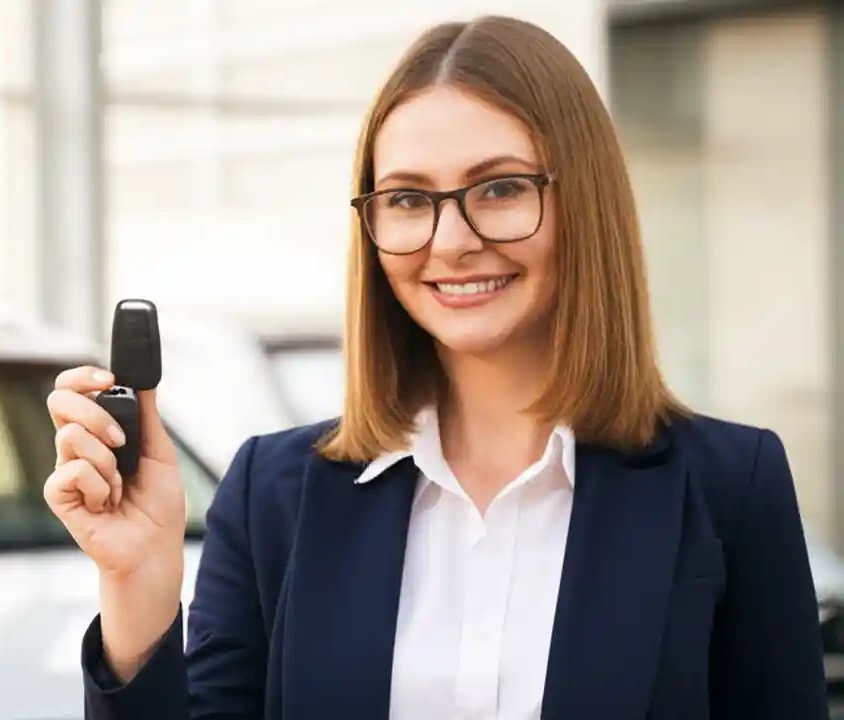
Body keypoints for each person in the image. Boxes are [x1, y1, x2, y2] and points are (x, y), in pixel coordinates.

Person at [44, 15, 828, 720]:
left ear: (584, 199)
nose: (450, 240)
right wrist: (137, 587)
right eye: (409, 200)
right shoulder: (274, 495)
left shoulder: (730, 487)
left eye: (501, 188)